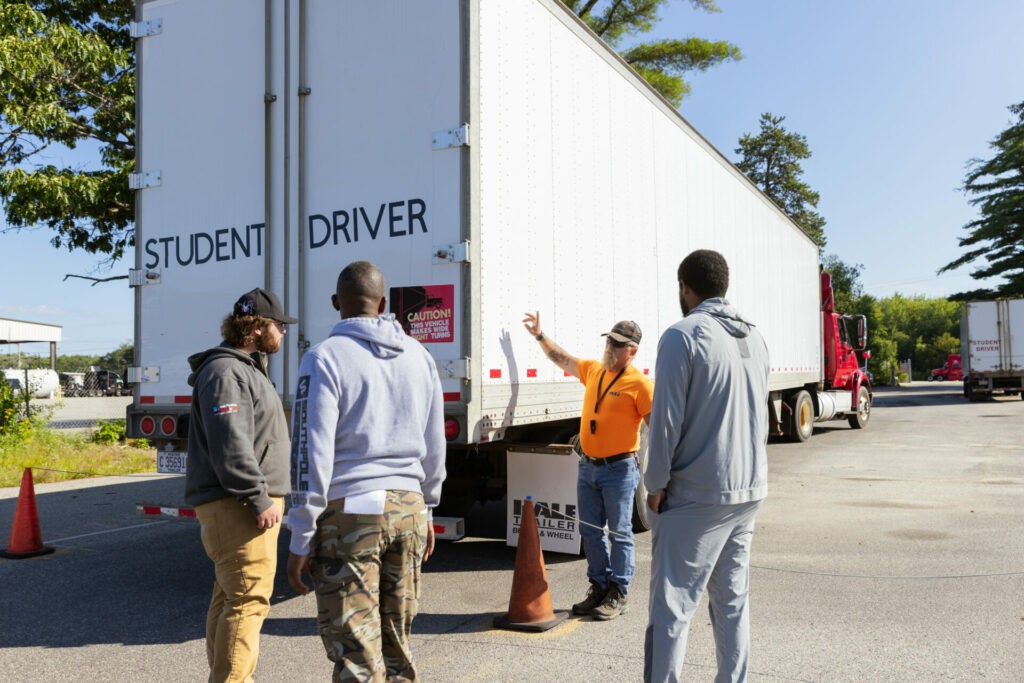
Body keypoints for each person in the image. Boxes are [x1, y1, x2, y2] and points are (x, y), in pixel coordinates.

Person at [286, 261, 446, 682]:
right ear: (384, 303)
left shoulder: (324, 357)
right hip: (409, 507)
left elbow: (310, 450)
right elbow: (435, 443)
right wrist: (427, 508)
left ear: (335, 302)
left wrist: (301, 534)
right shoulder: (420, 356)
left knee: (356, 652)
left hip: (350, 512)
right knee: (396, 644)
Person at [643, 249, 770, 683]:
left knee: (671, 610)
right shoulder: (755, 337)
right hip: (747, 490)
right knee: (732, 603)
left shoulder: (682, 336)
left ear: (685, 288)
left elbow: (665, 423)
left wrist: (655, 483)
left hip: (697, 495)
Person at [185, 287, 297, 682]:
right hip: (237, 506)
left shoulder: (244, 368)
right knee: (248, 600)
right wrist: (257, 496)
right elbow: (230, 442)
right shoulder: (226, 372)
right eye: (279, 324)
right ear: (257, 328)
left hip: (239, 504)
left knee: (230, 597)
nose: (284, 331)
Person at [522, 312, 653, 621]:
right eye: (609, 340)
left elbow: (659, 431)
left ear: (632, 351)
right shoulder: (594, 370)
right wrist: (540, 336)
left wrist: (664, 475)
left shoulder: (641, 385)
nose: (610, 346)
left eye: (617, 344)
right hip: (589, 467)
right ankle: (599, 586)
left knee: (619, 533)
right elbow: (562, 359)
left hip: (620, 469)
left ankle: (619, 592)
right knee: (590, 531)